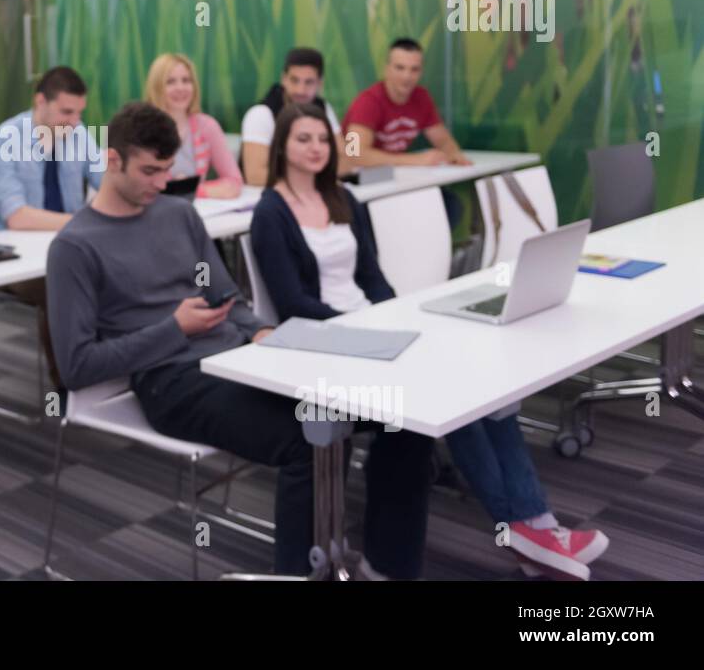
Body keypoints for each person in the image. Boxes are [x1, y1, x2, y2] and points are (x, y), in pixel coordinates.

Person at [46, 102, 434, 578]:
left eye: (168, 170)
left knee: (407, 416)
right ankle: (300, 572)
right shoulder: (74, 247)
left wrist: (260, 329)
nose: (162, 183)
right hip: (170, 381)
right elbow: (77, 366)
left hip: (240, 355)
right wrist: (174, 329)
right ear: (112, 161)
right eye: (150, 171)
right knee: (309, 438)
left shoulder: (178, 215)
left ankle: (386, 567)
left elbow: (227, 294)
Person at [250, 102, 610, 580]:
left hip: (377, 330)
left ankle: (535, 524)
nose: (315, 148)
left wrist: (396, 315)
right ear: (282, 147)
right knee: (448, 393)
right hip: (330, 343)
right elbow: (294, 303)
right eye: (303, 139)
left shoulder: (344, 200)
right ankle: (523, 529)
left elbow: (373, 278)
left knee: (482, 389)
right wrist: (368, 328)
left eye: (322, 139)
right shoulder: (270, 213)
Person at [0, 66, 103, 390]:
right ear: (41, 101)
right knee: (63, 286)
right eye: (66, 111)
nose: (74, 121)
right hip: (17, 256)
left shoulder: (77, 133)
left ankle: (110, 367)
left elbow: (106, 184)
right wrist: (86, 221)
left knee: (114, 272)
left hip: (71, 242)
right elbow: (17, 217)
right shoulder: (3, 139)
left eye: (79, 112)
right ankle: (67, 385)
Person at [340, 37, 470, 168]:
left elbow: (443, 141)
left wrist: (454, 154)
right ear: (387, 68)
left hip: (397, 177)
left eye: (414, 69)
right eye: (399, 68)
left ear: (421, 71)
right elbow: (353, 153)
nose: (406, 76)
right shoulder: (367, 102)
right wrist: (414, 160)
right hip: (359, 182)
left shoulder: (422, 97)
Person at [241, 47, 346, 186]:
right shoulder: (260, 114)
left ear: (320, 84)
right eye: (294, 80)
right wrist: (313, 178)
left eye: (309, 82)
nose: (300, 90)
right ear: (284, 79)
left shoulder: (324, 109)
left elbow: (345, 158)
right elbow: (255, 176)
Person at [144, 53, 241, 198]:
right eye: (170, 82)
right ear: (157, 87)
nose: (180, 88)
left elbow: (234, 182)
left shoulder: (207, 126)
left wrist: (190, 190)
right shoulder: (142, 129)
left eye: (186, 80)